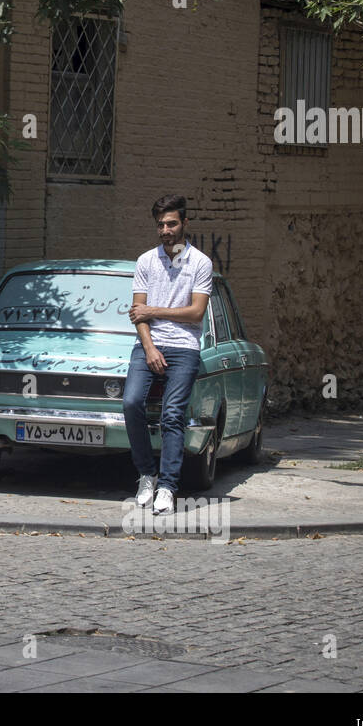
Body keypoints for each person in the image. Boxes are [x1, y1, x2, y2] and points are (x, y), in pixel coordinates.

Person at [124, 194, 213, 514]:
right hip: (148, 344)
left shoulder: (201, 263)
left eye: (172, 223)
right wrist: (149, 347)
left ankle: (168, 487)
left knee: (172, 414)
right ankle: (147, 474)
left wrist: (154, 310)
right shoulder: (146, 261)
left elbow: (196, 314)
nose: (165, 230)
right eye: (160, 224)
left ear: (185, 224)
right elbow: (138, 313)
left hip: (185, 347)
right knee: (131, 403)